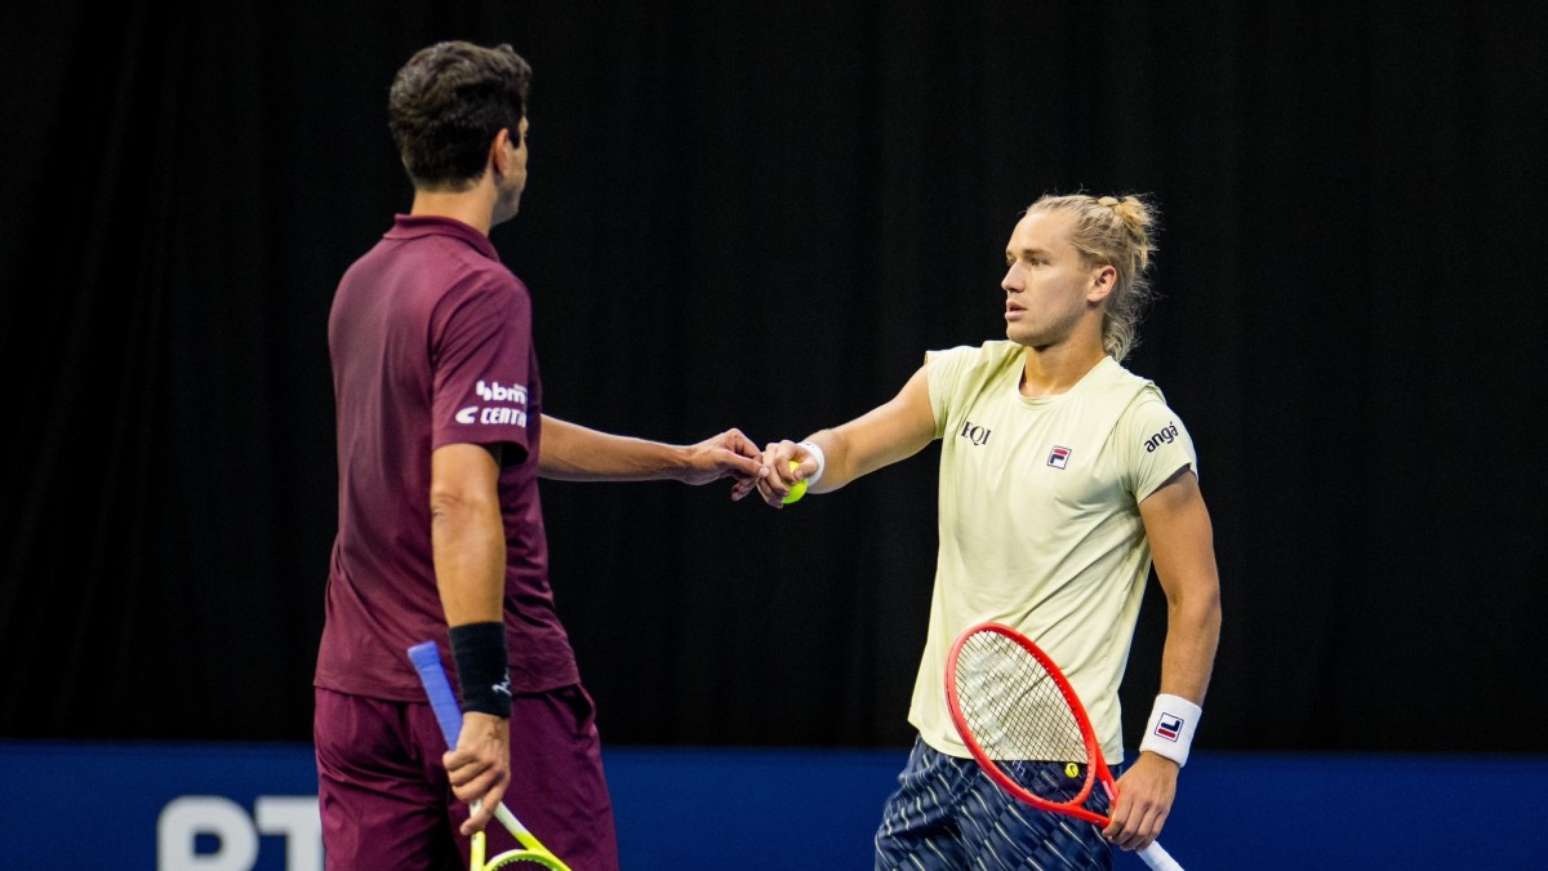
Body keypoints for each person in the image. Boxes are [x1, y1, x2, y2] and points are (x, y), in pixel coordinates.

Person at [313, 41, 765, 871]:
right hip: (478, 689)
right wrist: (489, 702)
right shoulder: (481, 290)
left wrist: (678, 458)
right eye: (525, 137)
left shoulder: (362, 282)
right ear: (502, 148)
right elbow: (459, 494)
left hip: (358, 691)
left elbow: (496, 434)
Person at [739, 194, 1222, 869]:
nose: (1010, 280)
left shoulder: (1139, 422)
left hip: (1052, 768)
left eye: (1037, 262)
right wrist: (805, 462)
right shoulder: (964, 376)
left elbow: (1196, 597)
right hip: (940, 748)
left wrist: (1163, 754)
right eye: (1011, 260)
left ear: (1100, 281)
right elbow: (845, 449)